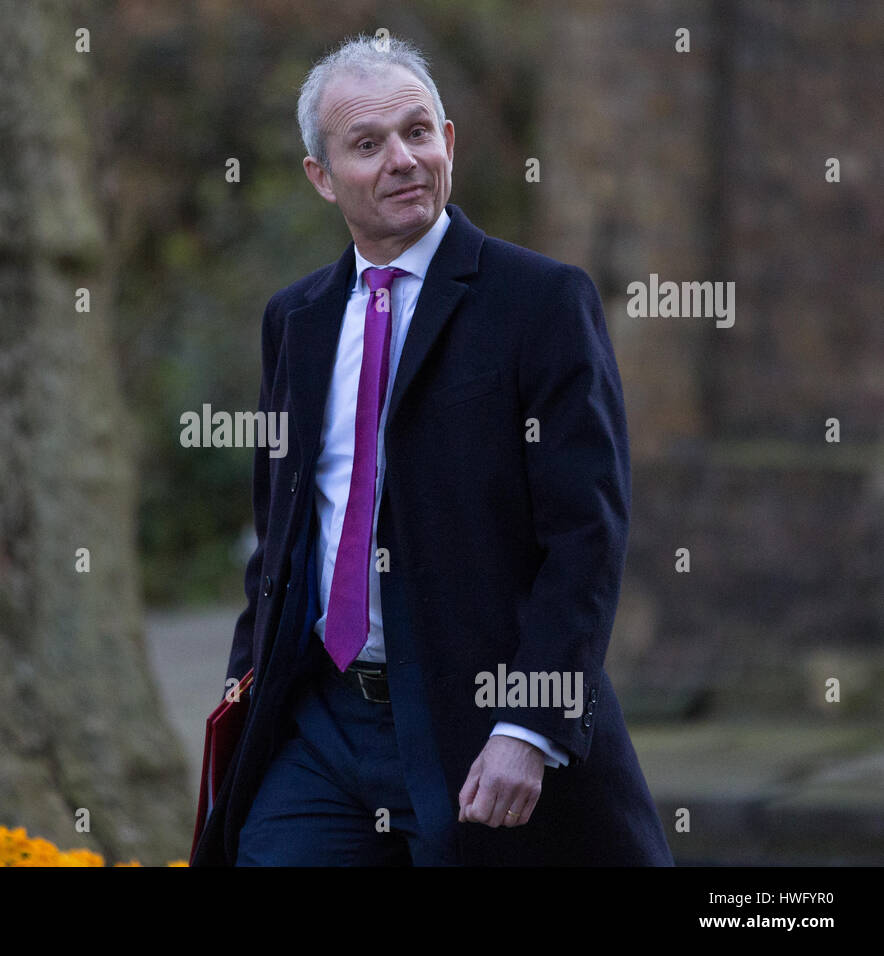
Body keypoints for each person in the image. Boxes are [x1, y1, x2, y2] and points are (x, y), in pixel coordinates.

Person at [190, 34, 673, 865]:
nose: (403, 159)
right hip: (318, 729)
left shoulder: (541, 303)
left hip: (472, 725)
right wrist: (246, 685)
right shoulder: (295, 321)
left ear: (448, 141)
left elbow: (586, 539)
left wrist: (530, 723)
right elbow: (281, 535)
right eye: (368, 145)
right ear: (321, 176)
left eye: (419, 133)